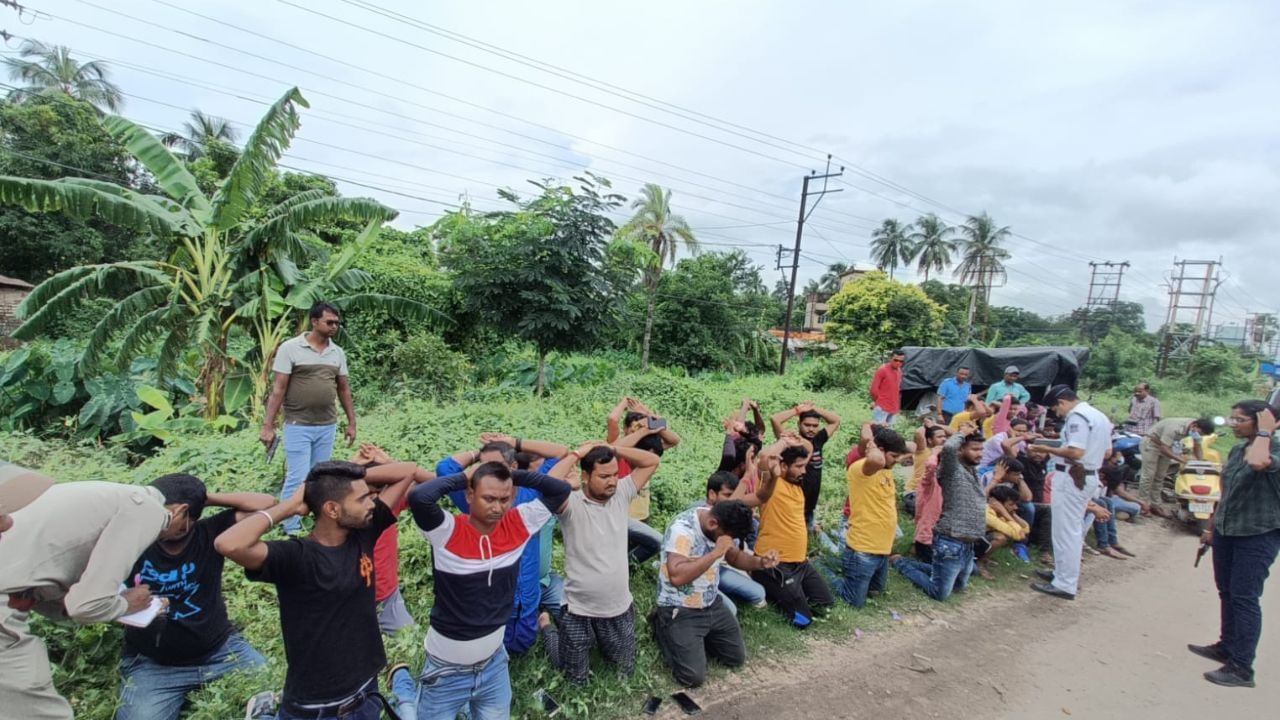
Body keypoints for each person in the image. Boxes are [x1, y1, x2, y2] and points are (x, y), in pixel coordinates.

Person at [216, 460, 423, 720]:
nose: (371, 503)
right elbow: (228, 544)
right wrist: (290, 506)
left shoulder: (364, 533)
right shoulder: (295, 557)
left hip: (366, 693)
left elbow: (408, 470)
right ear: (332, 509)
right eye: (362, 499)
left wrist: (333, 479)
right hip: (315, 708)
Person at [409, 461, 572, 719]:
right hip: (446, 671)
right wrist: (465, 476)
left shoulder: (518, 523)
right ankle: (403, 690)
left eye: (504, 499)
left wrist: (512, 474)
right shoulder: (447, 531)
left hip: (494, 665)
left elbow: (560, 490)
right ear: (469, 495)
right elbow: (419, 497)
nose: (497, 507)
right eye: (488, 498)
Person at [1, 472, 167, 720]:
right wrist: (125, 604)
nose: (8, 523)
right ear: (180, 511)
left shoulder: (96, 496)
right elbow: (86, 606)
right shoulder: (145, 508)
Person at [116, 475, 276, 720]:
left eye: (170, 513)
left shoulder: (210, 532)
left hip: (222, 651)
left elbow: (268, 504)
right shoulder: (133, 538)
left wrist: (201, 499)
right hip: (154, 665)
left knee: (274, 690)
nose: (162, 521)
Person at [433, 434, 569, 655]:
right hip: (492, 598)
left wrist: (515, 442)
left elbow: (560, 451)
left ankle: (541, 624)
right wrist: (480, 452)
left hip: (527, 590)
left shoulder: (532, 493)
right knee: (493, 649)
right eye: (483, 468)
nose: (489, 474)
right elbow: (444, 468)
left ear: (514, 467)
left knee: (523, 645)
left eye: (496, 467)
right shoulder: (474, 501)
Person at [541, 438, 661, 685]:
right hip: (577, 608)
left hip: (617, 607)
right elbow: (547, 484)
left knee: (624, 673)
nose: (613, 481)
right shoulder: (571, 503)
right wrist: (576, 453)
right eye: (604, 476)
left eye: (615, 474)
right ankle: (545, 626)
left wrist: (613, 449)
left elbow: (652, 461)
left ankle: (596, 639)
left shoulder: (622, 494)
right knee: (573, 679)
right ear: (586, 476)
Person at [1188, 401, 1280, 688]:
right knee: (1226, 590)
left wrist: (1266, 433)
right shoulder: (1238, 449)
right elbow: (1225, 492)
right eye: (1233, 418)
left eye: (1240, 419)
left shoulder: (1272, 450)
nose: (1233, 423)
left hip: (1258, 533)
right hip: (1228, 530)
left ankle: (1242, 668)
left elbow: (1258, 463)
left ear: (1260, 423)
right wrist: (1211, 528)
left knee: (1244, 597)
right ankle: (1227, 646)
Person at [653, 499, 777, 687]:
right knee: (693, 678)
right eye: (729, 538)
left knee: (736, 658)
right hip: (680, 607)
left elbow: (734, 557)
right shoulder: (682, 529)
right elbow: (677, 577)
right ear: (712, 524)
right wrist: (715, 553)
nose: (731, 542)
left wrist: (760, 563)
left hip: (711, 603)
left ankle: (696, 638)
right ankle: (661, 623)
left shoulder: (722, 523)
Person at [261, 301, 357, 534]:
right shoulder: (291, 348)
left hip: (327, 424)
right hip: (297, 424)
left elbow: (343, 389)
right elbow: (278, 389)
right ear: (315, 322)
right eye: (329, 322)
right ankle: (290, 527)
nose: (334, 326)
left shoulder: (337, 352)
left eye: (337, 322)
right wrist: (268, 426)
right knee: (297, 476)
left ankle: (315, 520)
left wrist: (352, 422)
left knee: (320, 477)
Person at [1031, 385, 1113, 601]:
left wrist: (1045, 449)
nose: (1057, 414)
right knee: (1072, 529)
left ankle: (1065, 584)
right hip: (1087, 474)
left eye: (1056, 410)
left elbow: (1075, 451)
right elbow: (1108, 451)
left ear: (1062, 402)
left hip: (1071, 476)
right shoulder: (1099, 416)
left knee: (1065, 532)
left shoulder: (1077, 416)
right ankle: (1062, 573)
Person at [894, 425, 987, 601]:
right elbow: (950, 448)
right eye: (975, 449)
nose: (980, 453)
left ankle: (914, 564)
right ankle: (899, 563)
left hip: (967, 544)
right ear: (960, 450)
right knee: (940, 593)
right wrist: (961, 433)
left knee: (958, 586)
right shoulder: (951, 469)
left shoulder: (971, 470)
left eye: (981, 449)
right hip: (951, 541)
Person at [750, 436, 834, 626]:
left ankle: (790, 592)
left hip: (800, 563)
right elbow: (764, 458)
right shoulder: (771, 483)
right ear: (783, 466)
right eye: (799, 466)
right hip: (775, 564)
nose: (804, 471)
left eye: (805, 465)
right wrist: (784, 441)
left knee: (825, 604)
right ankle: (770, 591)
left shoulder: (796, 485)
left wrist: (797, 441)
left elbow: (809, 447)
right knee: (802, 621)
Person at [833, 425, 909, 607]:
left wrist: (884, 435)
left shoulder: (885, 467)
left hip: (881, 548)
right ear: (880, 451)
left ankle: (842, 566)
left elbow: (912, 446)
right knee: (854, 602)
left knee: (876, 592)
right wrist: (872, 442)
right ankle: (820, 570)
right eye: (894, 456)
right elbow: (875, 459)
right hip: (863, 548)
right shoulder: (862, 468)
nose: (898, 461)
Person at [606, 396, 682, 564]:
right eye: (633, 428)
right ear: (626, 429)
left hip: (641, 513)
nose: (636, 431)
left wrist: (649, 416)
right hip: (621, 515)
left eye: (639, 427)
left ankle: (626, 568)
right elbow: (612, 421)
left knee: (629, 550)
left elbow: (674, 440)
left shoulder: (647, 450)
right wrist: (625, 403)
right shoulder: (619, 450)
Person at [700, 471, 769, 611]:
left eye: (735, 495)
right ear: (712, 494)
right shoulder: (702, 513)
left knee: (759, 592)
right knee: (732, 609)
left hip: (718, 567)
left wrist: (760, 562)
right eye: (727, 495)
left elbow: (734, 556)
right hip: (697, 570)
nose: (732, 500)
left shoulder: (730, 517)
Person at [770, 401, 842, 528]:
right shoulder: (791, 441)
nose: (811, 429)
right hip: (793, 503)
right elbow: (775, 419)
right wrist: (797, 410)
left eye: (815, 426)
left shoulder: (819, 439)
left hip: (810, 505)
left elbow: (835, 420)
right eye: (807, 425)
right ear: (799, 424)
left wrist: (814, 408)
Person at [1138, 417, 1215, 517]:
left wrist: (1200, 462)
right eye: (1200, 433)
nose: (1199, 436)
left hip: (1167, 446)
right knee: (1148, 475)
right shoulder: (1174, 427)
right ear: (1194, 426)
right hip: (1152, 444)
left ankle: (1155, 505)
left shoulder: (1195, 430)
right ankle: (1143, 505)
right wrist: (1182, 460)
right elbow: (1164, 447)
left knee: (1160, 477)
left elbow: (1197, 446)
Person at [909, 423, 951, 563]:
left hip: (934, 494)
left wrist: (939, 425)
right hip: (916, 492)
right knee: (927, 514)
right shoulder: (924, 452)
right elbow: (919, 432)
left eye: (945, 436)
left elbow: (956, 435)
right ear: (929, 441)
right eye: (939, 436)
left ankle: (918, 546)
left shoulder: (945, 458)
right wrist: (928, 423)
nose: (944, 439)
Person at [979, 483, 1030, 579]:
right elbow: (1018, 535)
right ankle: (980, 563)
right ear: (997, 504)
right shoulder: (987, 512)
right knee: (1001, 537)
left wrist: (1012, 514)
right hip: (971, 543)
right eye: (1011, 504)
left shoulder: (1001, 513)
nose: (1015, 507)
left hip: (982, 539)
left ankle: (984, 559)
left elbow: (1025, 529)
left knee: (1005, 534)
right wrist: (1005, 512)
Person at [869, 349, 905, 424]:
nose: (898, 363)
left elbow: (897, 391)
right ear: (890, 358)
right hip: (882, 407)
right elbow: (873, 389)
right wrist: (879, 402)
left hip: (893, 408)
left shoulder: (899, 371)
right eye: (896, 360)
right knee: (878, 432)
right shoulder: (883, 370)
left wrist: (897, 408)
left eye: (901, 361)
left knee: (889, 433)